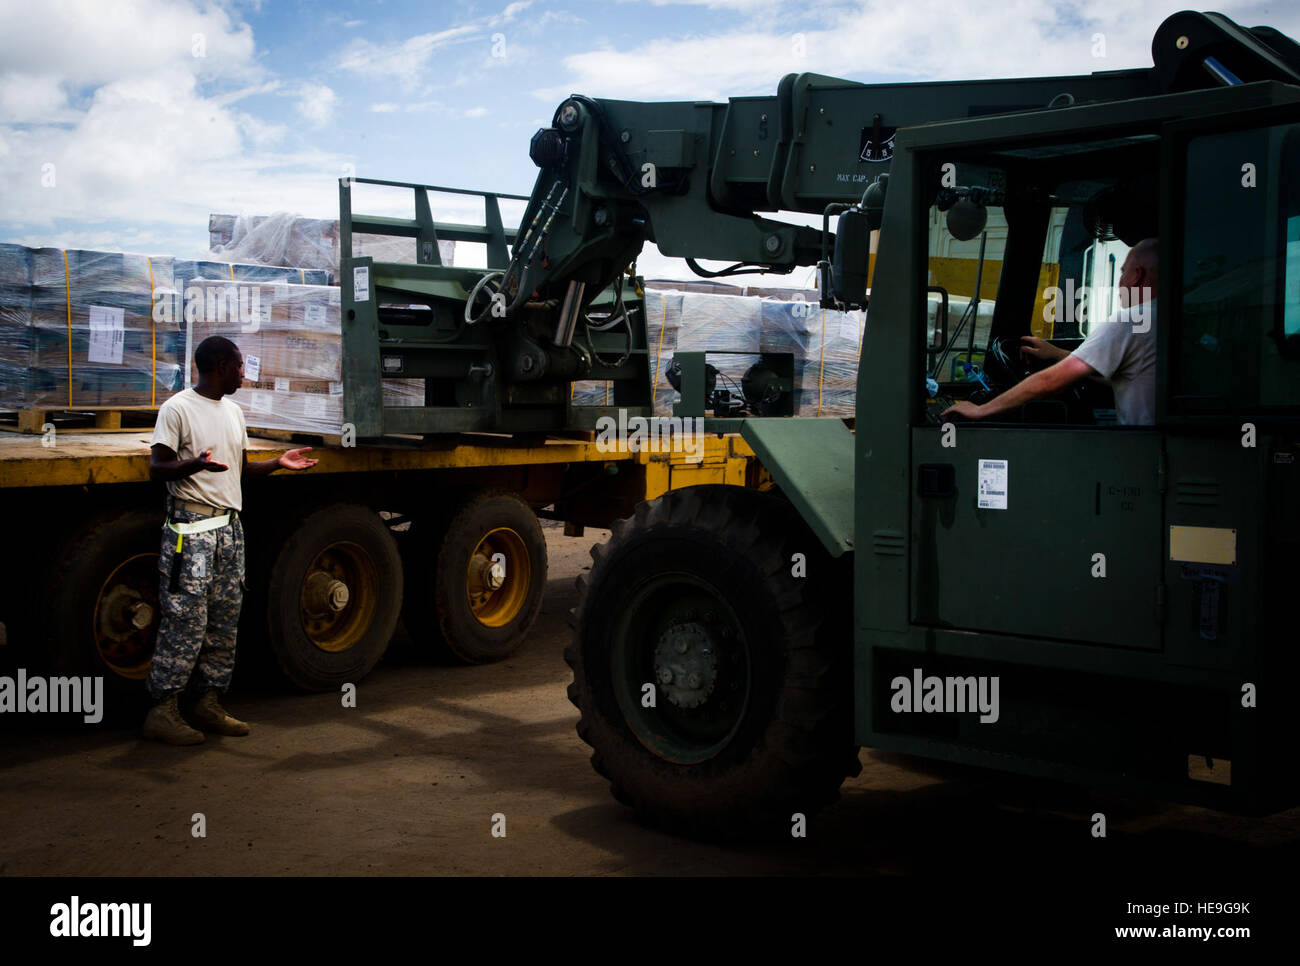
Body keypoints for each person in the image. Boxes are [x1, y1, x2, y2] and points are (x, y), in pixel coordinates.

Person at [143, 336, 318, 745]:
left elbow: (237, 471)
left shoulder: (234, 412)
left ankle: (207, 703)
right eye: (240, 365)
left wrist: (277, 463)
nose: (244, 372)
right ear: (221, 365)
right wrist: (193, 465)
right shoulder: (178, 408)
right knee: (185, 622)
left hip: (228, 531)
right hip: (191, 532)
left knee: (223, 623)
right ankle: (162, 710)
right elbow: (157, 466)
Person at [942, 238, 1158, 426]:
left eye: (1123, 272)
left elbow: (1049, 382)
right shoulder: (1160, 320)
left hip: (1141, 450)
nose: (1120, 282)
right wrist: (1057, 354)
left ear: (1136, 276)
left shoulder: (1133, 320)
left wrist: (981, 410)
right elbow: (1123, 377)